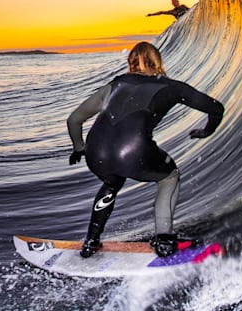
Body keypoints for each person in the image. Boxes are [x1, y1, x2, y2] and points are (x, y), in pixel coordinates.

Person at [65, 41, 223, 258]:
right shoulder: (172, 87)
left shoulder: (116, 84)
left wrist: (79, 148)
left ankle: (91, 241)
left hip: (96, 152)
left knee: (111, 182)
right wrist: (207, 130)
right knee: (169, 177)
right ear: (158, 61)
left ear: (131, 62)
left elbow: (74, 119)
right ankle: (165, 239)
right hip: (133, 152)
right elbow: (216, 108)